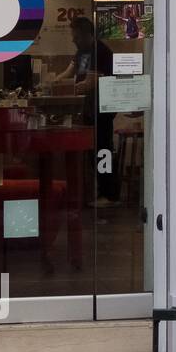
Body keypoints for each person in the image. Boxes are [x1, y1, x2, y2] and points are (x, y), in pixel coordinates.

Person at [55, 17, 118, 208]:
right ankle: (101, 192)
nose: (73, 40)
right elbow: (69, 72)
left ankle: (110, 195)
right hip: (89, 109)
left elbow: (90, 82)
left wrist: (65, 89)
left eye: (76, 37)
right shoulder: (82, 51)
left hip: (102, 109)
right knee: (93, 151)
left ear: (88, 35)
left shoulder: (101, 51)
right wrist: (53, 82)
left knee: (103, 150)